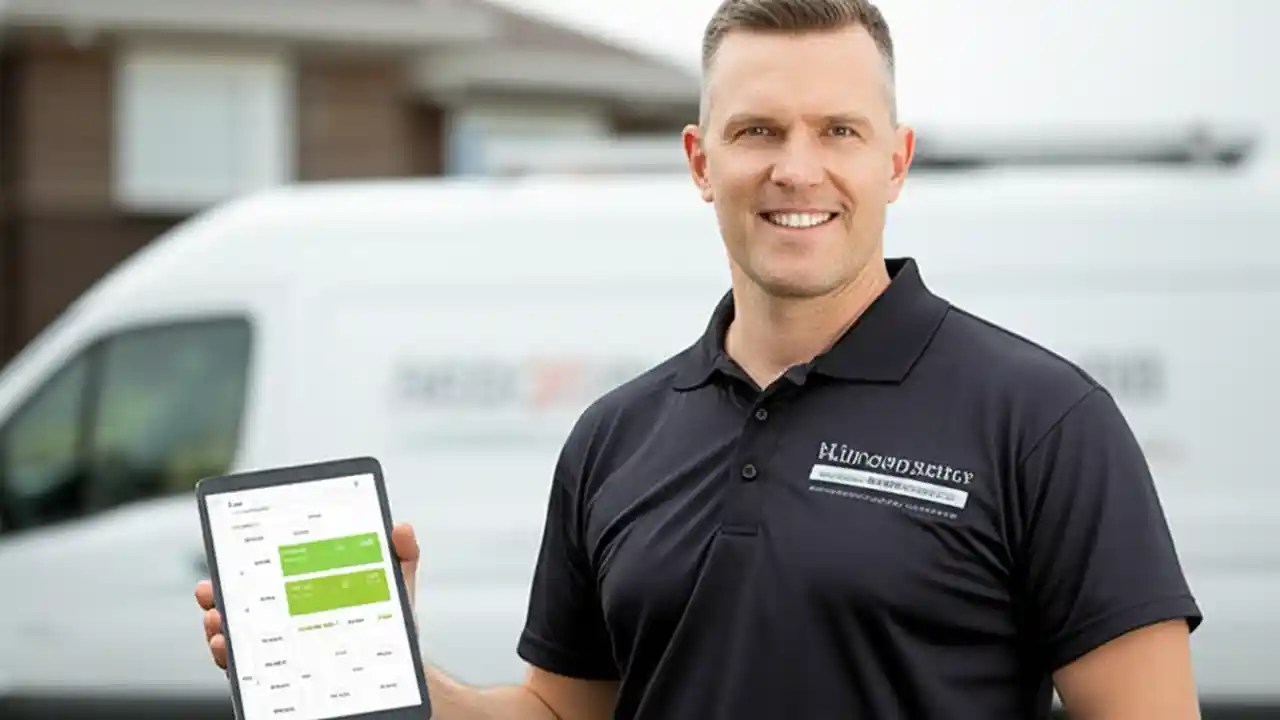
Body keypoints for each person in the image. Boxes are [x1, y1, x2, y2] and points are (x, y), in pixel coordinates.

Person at [197, 0, 1204, 717]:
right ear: (699, 160)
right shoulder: (616, 436)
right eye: (756, 130)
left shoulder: (1040, 419)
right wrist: (393, 673)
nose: (794, 168)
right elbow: (559, 714)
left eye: (836, 131)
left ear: (893, 160)